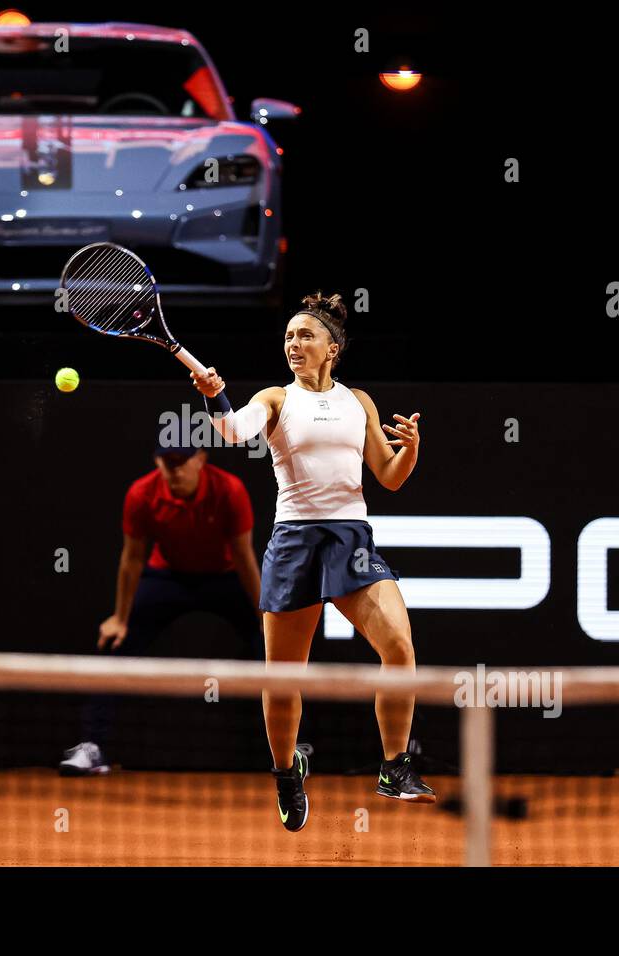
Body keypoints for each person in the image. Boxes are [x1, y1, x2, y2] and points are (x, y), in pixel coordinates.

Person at [189, 291, 436, 831]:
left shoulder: (359, 403)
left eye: (305, 336)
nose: (293, 344)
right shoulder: (276, 398)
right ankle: (286, 772)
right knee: (282, 678)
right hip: (295, 543)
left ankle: (394, 767)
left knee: (399, 646)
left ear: (333, 347)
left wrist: (411, 450)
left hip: (351, 540)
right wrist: (216, 397)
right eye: (288, 337)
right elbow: (235, 430)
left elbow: (389, 476)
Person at [59, 435, 264, 775]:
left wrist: (262, 615)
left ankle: (292, 748)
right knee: (116, 642)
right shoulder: (142, 493)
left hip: (225, 577)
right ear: (156, 462)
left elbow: (244, 557)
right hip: (167, 577)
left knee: (273, 646)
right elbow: (133, 558)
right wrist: (120, 618)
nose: (174, 470)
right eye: (167, 462)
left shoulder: (229, 490)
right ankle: (92, 746)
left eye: (181, 461)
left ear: (201, 459)